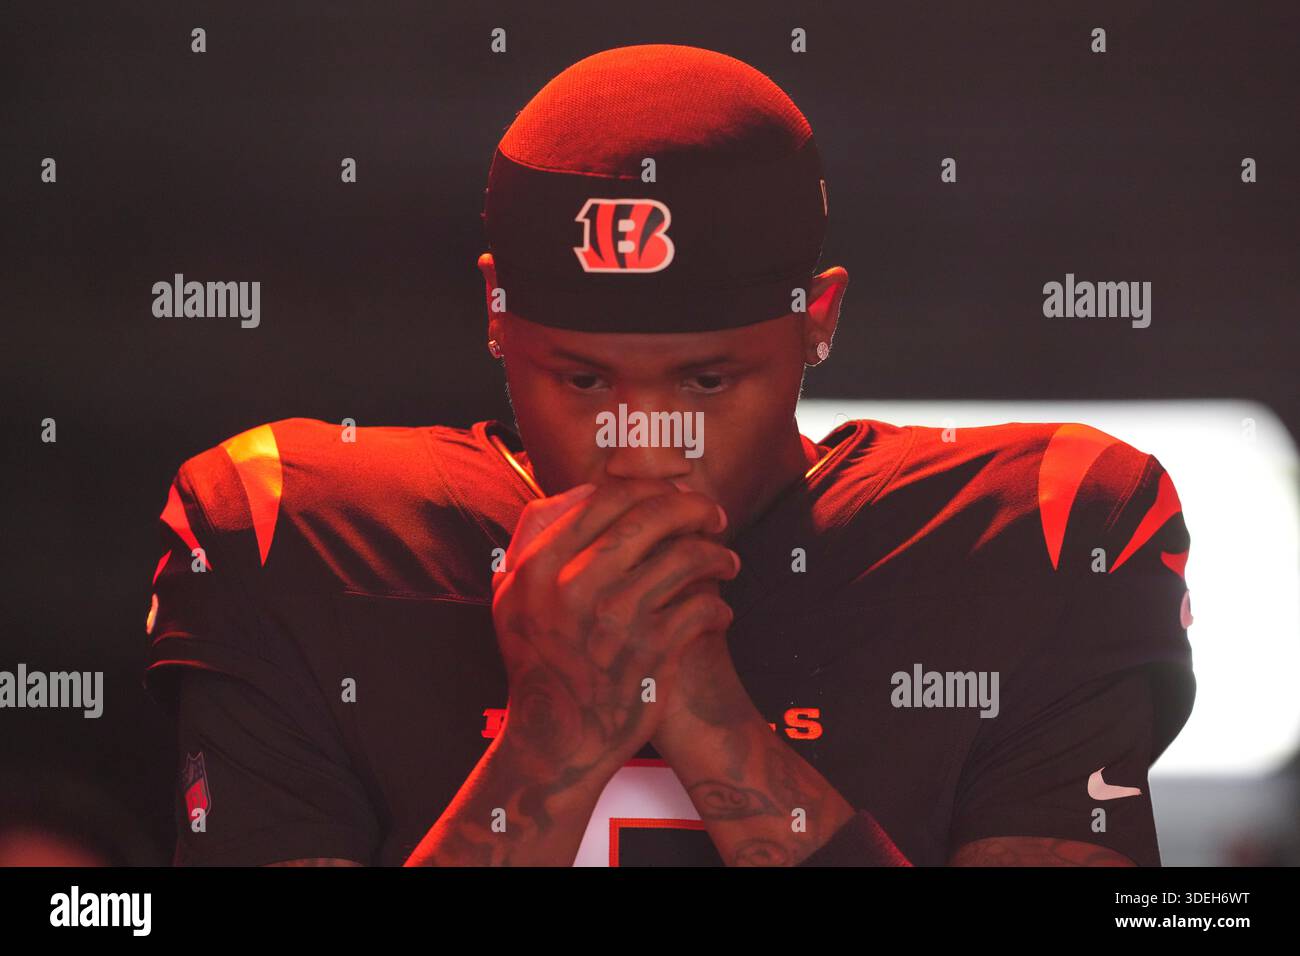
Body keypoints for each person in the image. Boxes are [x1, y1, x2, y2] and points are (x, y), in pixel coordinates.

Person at [142, 44, 1195, 866]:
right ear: (497, 316)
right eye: (585, 379)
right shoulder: (289, 526)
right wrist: (549, 736)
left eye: (704, 381)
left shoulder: (1039, 527)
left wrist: (708, 717)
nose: (641, 440)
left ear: (816, 319)